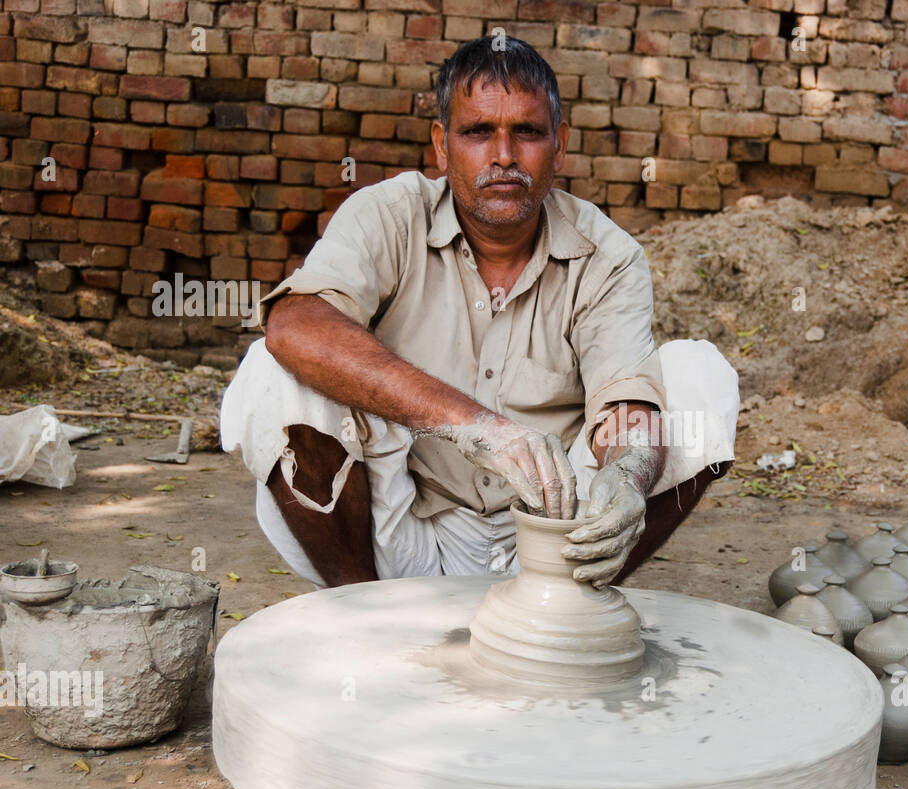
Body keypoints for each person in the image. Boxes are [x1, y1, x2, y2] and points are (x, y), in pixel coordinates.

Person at [221, 35, 738, 590]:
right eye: (477, 132)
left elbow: (626, 403)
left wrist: (629, 477)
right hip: (398, 530)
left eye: (528, 132)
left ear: (559, 146)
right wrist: (474, 426)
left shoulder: (605, 256)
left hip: (552, 538)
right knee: (273, 373)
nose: (504, 156)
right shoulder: (390, 216)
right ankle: (360, 612)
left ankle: (573, 607)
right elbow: (295, 325)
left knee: (698, 377)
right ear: (442, 147)